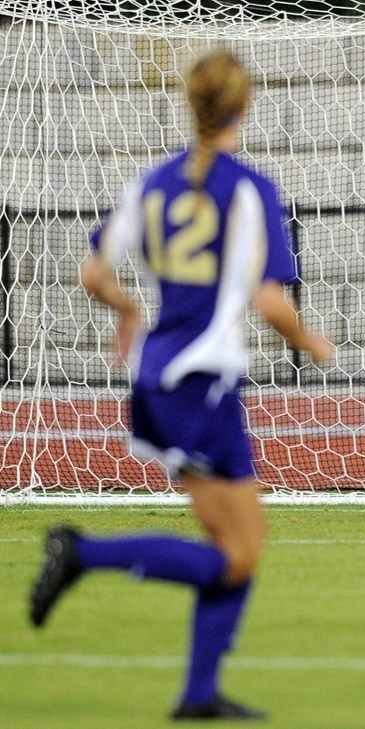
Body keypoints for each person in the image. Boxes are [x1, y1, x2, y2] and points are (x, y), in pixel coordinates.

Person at [27, 50, 333, 720]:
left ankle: (198, 694)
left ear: (191, 105)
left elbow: (93, 274)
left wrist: (132, 313)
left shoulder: (155, 183)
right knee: (240, 555)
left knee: (236, 550)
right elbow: (271, 300)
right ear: (243, 108)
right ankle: (83, 552)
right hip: (203, 382)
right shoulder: (248, 188)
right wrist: (309, 343)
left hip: (159, 376)